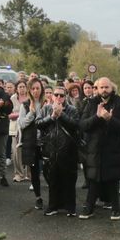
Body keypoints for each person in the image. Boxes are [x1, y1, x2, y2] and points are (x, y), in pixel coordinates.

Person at [78, 77, 120, 220]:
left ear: (112, 88)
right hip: (95, 148)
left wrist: (109, 119)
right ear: (97, 89)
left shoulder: (119, 105)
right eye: (101, 87)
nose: (104, 90)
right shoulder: (91, 103)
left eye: (107, 87)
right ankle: (89, 208)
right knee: (93, 179)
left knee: (113, 180)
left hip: (113, 148)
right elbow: (83, 125)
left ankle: (116, 209)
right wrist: (97, 117)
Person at [35, 88, 81, 217]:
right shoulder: (46, 109)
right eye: (56, 95)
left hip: (68, 150)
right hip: (51, 150)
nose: (59, 97)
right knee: (53, 180)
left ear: (65, 96)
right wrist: (52, 117)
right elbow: (38, 123)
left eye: (61, 95)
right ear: (52, 96)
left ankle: (70, 207)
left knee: (69, 180)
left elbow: (76, 125)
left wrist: (62, 115)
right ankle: (53, 206)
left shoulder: (72, 109)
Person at [16, 78, 46, 210]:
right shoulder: (25, 105)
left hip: (46, 142)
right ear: (29, 90)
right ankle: (38, 197)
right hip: (31, 142)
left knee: (50, 171)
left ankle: (56, 197)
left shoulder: (47, 102)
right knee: (34, 172)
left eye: (37, 88)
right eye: (33, 88)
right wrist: (32, 112)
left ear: (42, 89)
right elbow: (21, 124)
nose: (35, 91)